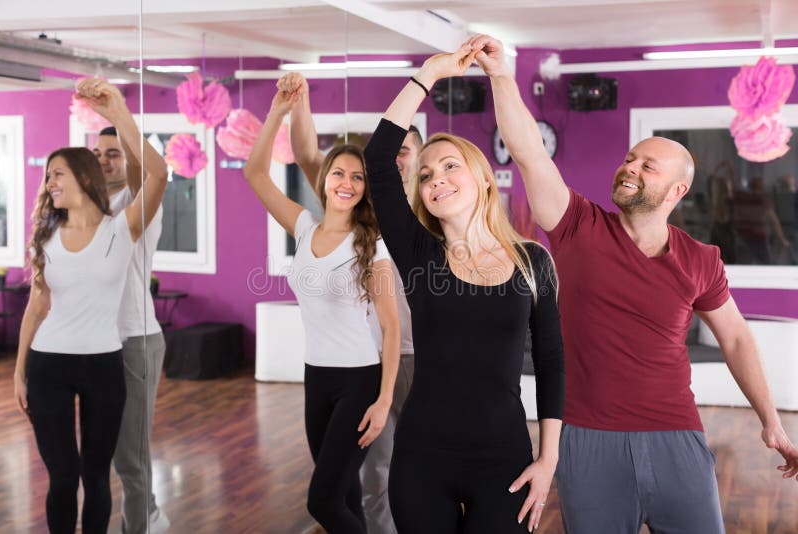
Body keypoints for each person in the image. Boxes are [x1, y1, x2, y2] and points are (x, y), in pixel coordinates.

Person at [468, 33, 798, 533]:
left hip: (676, 434)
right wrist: (501, 76)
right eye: (629, 159)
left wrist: (771, 420)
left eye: (648, 165)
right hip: (587, 436)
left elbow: (735, 337)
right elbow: (531, 153)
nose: (630, 168)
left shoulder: (701, 259)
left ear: (677, 190)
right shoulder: (577, 225)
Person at [363, 44, 565, 533]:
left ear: (483, 179)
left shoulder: (531, 261)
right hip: (422, 459)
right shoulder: (418, 255)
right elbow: (378, 158)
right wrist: (430, 73)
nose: (438, 179)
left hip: (504, 460)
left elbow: (554, 362)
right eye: (427, 174)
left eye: (451, 165)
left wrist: (548, 460)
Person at [244, 83, 400, 534]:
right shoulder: (304, 226)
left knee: (322, 501)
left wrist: (383, 399)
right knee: (345, 496)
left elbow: (390, 328)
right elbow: (255, 174)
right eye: (339, 174)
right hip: (316, 377)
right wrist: (277, 110)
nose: (347, 184)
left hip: (360, 381)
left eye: (357, 177)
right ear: (324, 180)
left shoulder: (372, 245)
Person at [13, 78, 168, 534]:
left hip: (109, 360)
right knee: (63, 477)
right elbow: (36, 305)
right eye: (48, 176)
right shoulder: (45, 234)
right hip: (48, 365)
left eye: (56, 173)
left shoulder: (123, 227)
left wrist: (117, 109)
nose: (49, 183)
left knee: (103, 475)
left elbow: (156, 175)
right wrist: (19, 370)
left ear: (81, 179)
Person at [279, 71, 420, 534]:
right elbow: (304, 155)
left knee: (418, 468)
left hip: (419, 356)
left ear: (420, 161)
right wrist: (298, 103)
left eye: (407, 150)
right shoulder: (359, 200)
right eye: (390, 150)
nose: (397, 159)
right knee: (370, 472)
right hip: (369, 356)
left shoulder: (432, 207)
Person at [92, 126, 169, 533]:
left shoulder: (139, 204)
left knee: (130, 459)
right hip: (93, 346)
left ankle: (139, 524)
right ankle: (151, 509)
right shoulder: (85, 207)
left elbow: (150, 172)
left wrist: (118, 116)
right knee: (101, 453)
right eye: (98, 152)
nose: (104, 160)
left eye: (114, 153)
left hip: (134, 341)